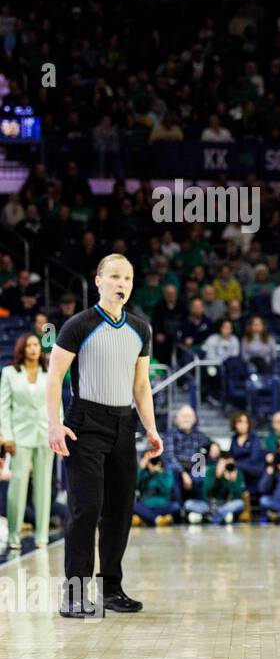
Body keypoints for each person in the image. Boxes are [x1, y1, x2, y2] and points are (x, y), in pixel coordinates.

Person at [47, 254, 163, 617]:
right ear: (98, 281)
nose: (121, 284)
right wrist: (54, 423)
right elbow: (54, 378)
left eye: (127, 278)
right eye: (114, 276)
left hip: (123, 424)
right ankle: (74, 595)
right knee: (87, 508)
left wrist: (151, 427)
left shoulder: (141, 329)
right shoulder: (77, 326)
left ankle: (111, 589)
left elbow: (141, 385)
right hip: (84, 423)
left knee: (120, 509)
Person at [1, 333, 52, 550]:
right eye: (29, 345)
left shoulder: (48, 372)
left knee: (43, 486)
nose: (33, 348)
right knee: (18, 485)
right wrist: (7, 436)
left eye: (36, 345)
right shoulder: (10, 373)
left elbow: (55, 405)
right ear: (22, 348)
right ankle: (14, 536)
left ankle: (42, 537)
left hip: (45, 434)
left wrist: (57, 431)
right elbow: (3, 406)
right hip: (19, 436)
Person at [185, 448, 246, 524]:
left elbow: (238, 495)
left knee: (240, 503)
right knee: (188, 504)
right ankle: (219, 516)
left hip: (226, 504)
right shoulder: (211, 470)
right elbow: (206, 491)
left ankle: (211, 516)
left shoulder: (237, 473)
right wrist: (218, 477)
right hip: (209, 505)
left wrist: (231, 482)